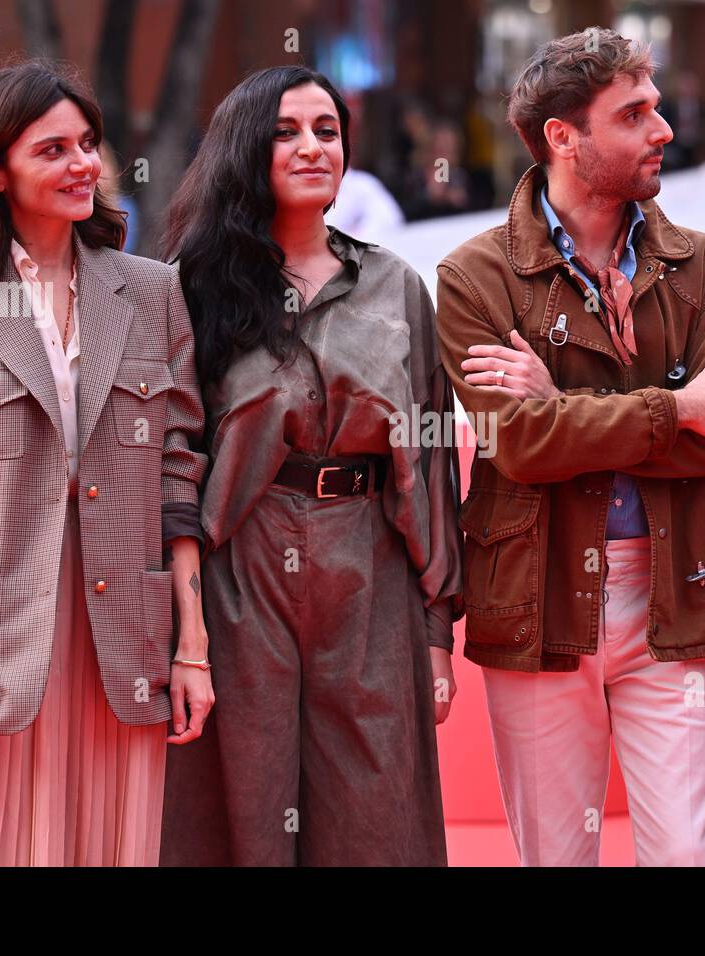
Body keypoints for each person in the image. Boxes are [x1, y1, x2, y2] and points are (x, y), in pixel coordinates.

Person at [433, 28, 705, 867]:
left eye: (656, 107)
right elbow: (519, 443)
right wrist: (674, 408)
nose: (664, 131)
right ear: (563, 138)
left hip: (673, 587)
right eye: (634, 114)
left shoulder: (703, 266)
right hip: (534, 592)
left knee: (687, 856)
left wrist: (567, 410)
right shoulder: (474, 275)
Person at [0, 61, 210, 866]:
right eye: (53, 150)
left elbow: (178, 474)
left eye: (89, 145)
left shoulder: (153, 291)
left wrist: (192, 647)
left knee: (111, 845)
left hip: (124, 640)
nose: (83, 166)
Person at [158, 66, 464, 867]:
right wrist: (181, 626)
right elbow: (173, 461)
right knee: (243, 804)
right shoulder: (194, 286)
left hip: (370, 562)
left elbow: (432, 459)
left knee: (376, 804)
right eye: (286, 132)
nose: (311, 148)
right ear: (246, 150)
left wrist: (438, 626)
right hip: (242, 567)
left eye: (326, 131)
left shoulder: (395, 286)